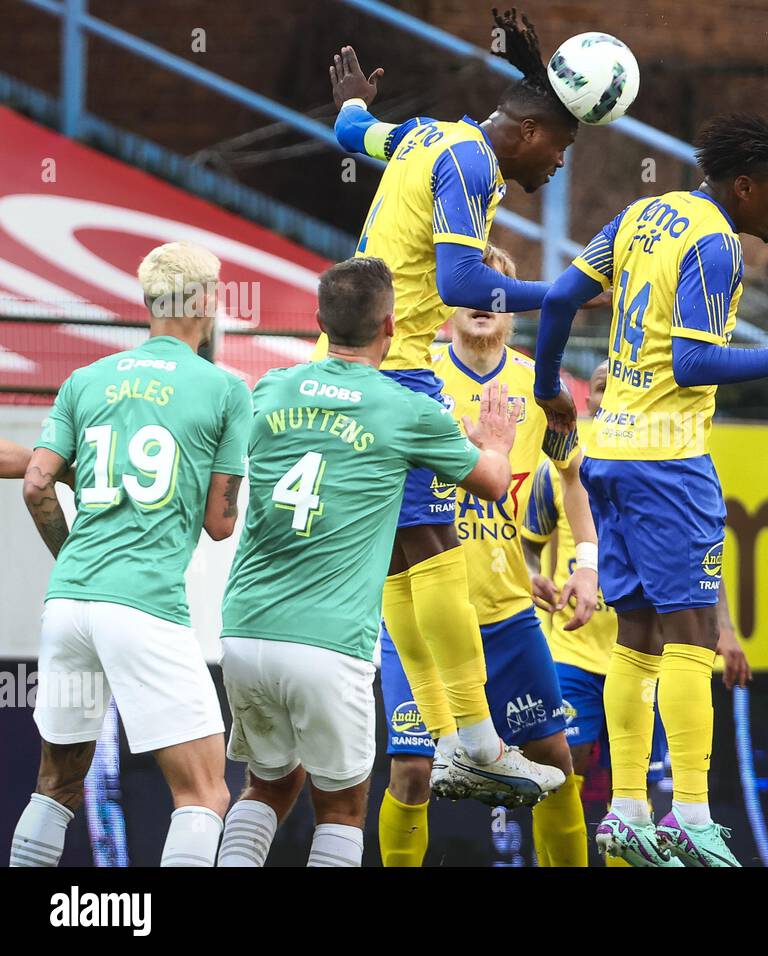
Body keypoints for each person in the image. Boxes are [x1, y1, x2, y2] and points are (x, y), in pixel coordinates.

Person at [532, 113, 768, 866]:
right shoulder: (715, 242)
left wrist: (550, 387)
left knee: (637, 639)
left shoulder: (638, 216)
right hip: (667, 463)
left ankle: (623, 812)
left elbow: (556, 301)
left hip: (609, 452)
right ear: (743, 185)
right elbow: (691, 364)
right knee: (690, 641)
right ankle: (688, 813)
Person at [316, 8, 583, 800]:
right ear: (531, 132)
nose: (560, 166)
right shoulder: (470, 164)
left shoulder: (431, 135)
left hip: (358, 365)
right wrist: (569, 290)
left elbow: (353, 137)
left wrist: (354, 104)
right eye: (562, 149)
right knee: (435, 549)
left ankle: (461, 737)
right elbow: (467, 284)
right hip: (397, 371)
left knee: (406, 558)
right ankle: (472, 738)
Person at [214, 256, 516, 867]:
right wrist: (496, 442)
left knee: (266, 786)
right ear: (391, 327)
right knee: (344, 808)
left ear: (318, 321)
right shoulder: (405, 409)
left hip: (244, 631)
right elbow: (490, 483)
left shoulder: (270, 387)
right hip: (329, 643)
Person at [10, 241, 252, 867]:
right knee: (203, 793)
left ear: (149, 302)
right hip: (145, 604)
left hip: (69, 604)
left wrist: (70, 556)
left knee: (56, 785)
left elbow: (37, 484)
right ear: (207, 301)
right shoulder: (224, 389)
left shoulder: (86, 378)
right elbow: (220, 527)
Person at [374, 245, 595, 867]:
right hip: (419, 615)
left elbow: (571, 478)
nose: (480, 302)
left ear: (513, 311)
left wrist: (584, 565)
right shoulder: (412, 379)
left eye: (496, 293)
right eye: (469, 289)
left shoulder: (542, 385)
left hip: (505, 614)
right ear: (448, 303)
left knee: (555, 762)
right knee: (413, 771)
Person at [521, 361, 752, 867]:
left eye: (614, 385)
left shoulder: (666, 464)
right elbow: (529, 547)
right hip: (574, 653)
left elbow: (701, 567)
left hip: (654, 656)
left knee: (649, 788)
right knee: (563, 770)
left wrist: (727, 631)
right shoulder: (558, 471)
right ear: (588, 400)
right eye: (599, 387)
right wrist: (533, 579)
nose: (606, 395)